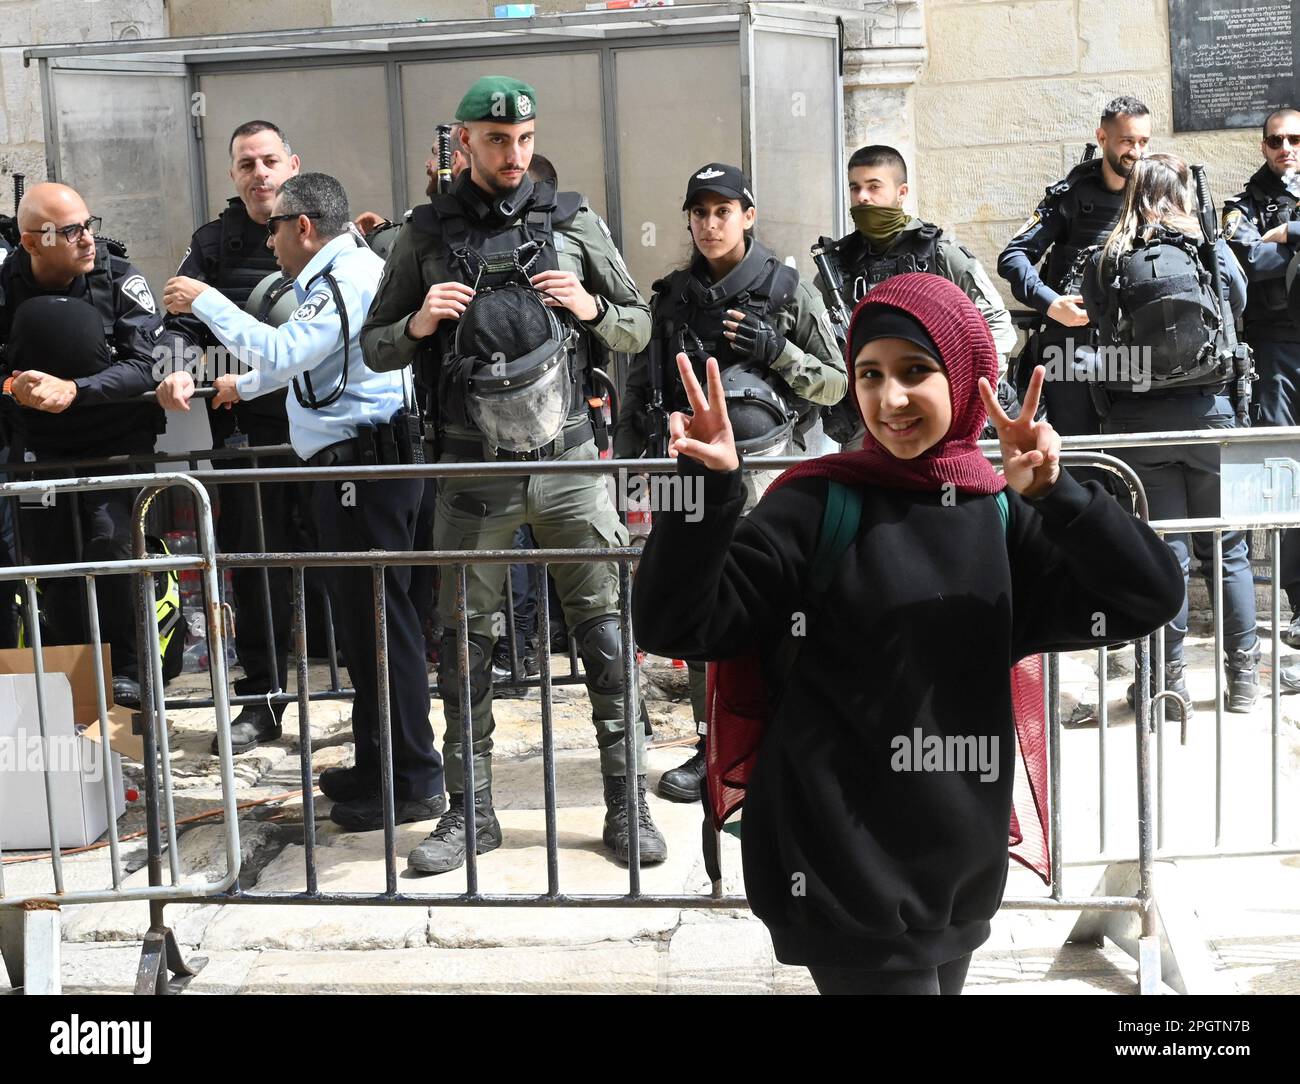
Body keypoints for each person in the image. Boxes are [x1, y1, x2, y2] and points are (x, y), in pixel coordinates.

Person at [631, 271, 1184, 994]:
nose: (889, 399)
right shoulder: (817, 505)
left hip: (957, 873)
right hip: (840, 871)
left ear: (967, 378)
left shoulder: (1001, 511)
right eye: (869, 374)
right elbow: (678, 624)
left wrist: (1060, 494)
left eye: (915, 371)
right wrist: (704, 494)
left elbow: (1147, 597)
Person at [361, 76, 662, 872]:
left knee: (606, 638)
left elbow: (640, 326)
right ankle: (472, 813)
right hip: (471, 474)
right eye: (498, 141)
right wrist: (420, 320)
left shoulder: (573, 222)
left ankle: (627, 804)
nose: (514, 155)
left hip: (569, 464)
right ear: (464, 142)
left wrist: (592, 310)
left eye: (525, 139)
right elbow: (374, 346)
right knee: (464, 648)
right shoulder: (424, 233)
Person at [161, 172, 444, 832]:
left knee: (382, 630)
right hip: (360, 471)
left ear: (304, 227)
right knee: (367, 632)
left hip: (365, 475)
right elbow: (314, 362)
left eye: (275, 230)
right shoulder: (341, 275)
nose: (270, 242)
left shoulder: (345, 277)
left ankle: (413, 780)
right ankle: (378, 764)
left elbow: (286, 347)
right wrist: (244, 385)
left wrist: (206, 300)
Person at [615, 161, 846, 803]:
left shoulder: (785, 289)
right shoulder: (670, 297)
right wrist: (627, 475)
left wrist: (778, 352)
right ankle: (710, 741)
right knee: (699, 599)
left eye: (724, 212)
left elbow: (836, 384)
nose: (711, 224)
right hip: (688, 475)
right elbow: (639, 389)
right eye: (700, 212)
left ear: (747, 216)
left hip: (770, 473)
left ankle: (788, 732)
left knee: (779, 604)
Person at [1081, 153, 1298, 711]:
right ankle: (1242, 681)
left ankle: (1165, 681)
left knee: (1165, 553)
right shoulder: (1209, 246)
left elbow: (1098, 322)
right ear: (1182, 194)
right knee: (1228, 552)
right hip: (1211, 417)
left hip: (1138, 424)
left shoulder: (1109, 255)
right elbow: (1239, 304)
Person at [0, 183, 185, 705]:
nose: (87, 239)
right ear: (31, 242)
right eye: (71, 231)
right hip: (39, 450)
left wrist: (76, 390)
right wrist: (14, 386)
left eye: (89, 224)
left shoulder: (118, 276)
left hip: (115, 443)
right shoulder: (5, 285)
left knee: (112, 548)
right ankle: (73, 685)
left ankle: (131, 673)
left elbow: (150, 362)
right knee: (51, 560)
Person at [156, 120, 306, 755]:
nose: (259, 173)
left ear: (292, 164)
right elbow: (175, 324)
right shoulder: (214, 244)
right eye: (247, 164)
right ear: (232, 175)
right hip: (247, 436)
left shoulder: (325, 230)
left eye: (269, 160)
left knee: (350, 568)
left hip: (327, 431)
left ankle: (372, 710)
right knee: (255, 569)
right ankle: (264, 699)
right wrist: (173, 369)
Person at [998, 96, 1152, 484]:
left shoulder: (1153, 196)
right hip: (1071, 346)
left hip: (1133, 348)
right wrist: (1052, 305)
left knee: (1135, 459)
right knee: (1078, 459)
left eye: (1143, 142)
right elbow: (1013, 257)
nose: (1136, 152)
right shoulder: (1072, 195)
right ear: (1102, 137)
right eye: (1127, 141)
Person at [815, 144, 1015, 370]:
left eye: (873, 187)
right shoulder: (837, 266)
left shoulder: (937, 251)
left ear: (901, 193)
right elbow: (816, 338)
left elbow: (996, 322)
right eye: (855, 188)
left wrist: (976, 382)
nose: (862, 197)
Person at [1223, 106, 1300, 649]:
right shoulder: (1243, 205)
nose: (1286, 148)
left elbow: (1272, 253)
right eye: (1276, 140)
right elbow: (1247, 261)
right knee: (1288, 470)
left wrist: (1290, 233)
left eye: (1295, 139)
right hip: (1277, 352)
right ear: (1263, 146)